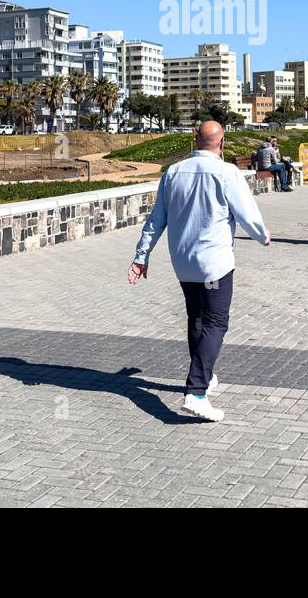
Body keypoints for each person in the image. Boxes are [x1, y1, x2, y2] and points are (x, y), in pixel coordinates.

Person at [128, 120, 271, 422]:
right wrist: (263, 236)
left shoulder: (174, 172)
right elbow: (247, 213)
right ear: (221, 144)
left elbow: (156, 220)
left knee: (197, 318)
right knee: (216, 322)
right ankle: (195, 392)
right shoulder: (226, 172)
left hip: (183, 262)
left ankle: (204, 373)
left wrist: (141, 257)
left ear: (195, 140)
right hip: (214, 265)